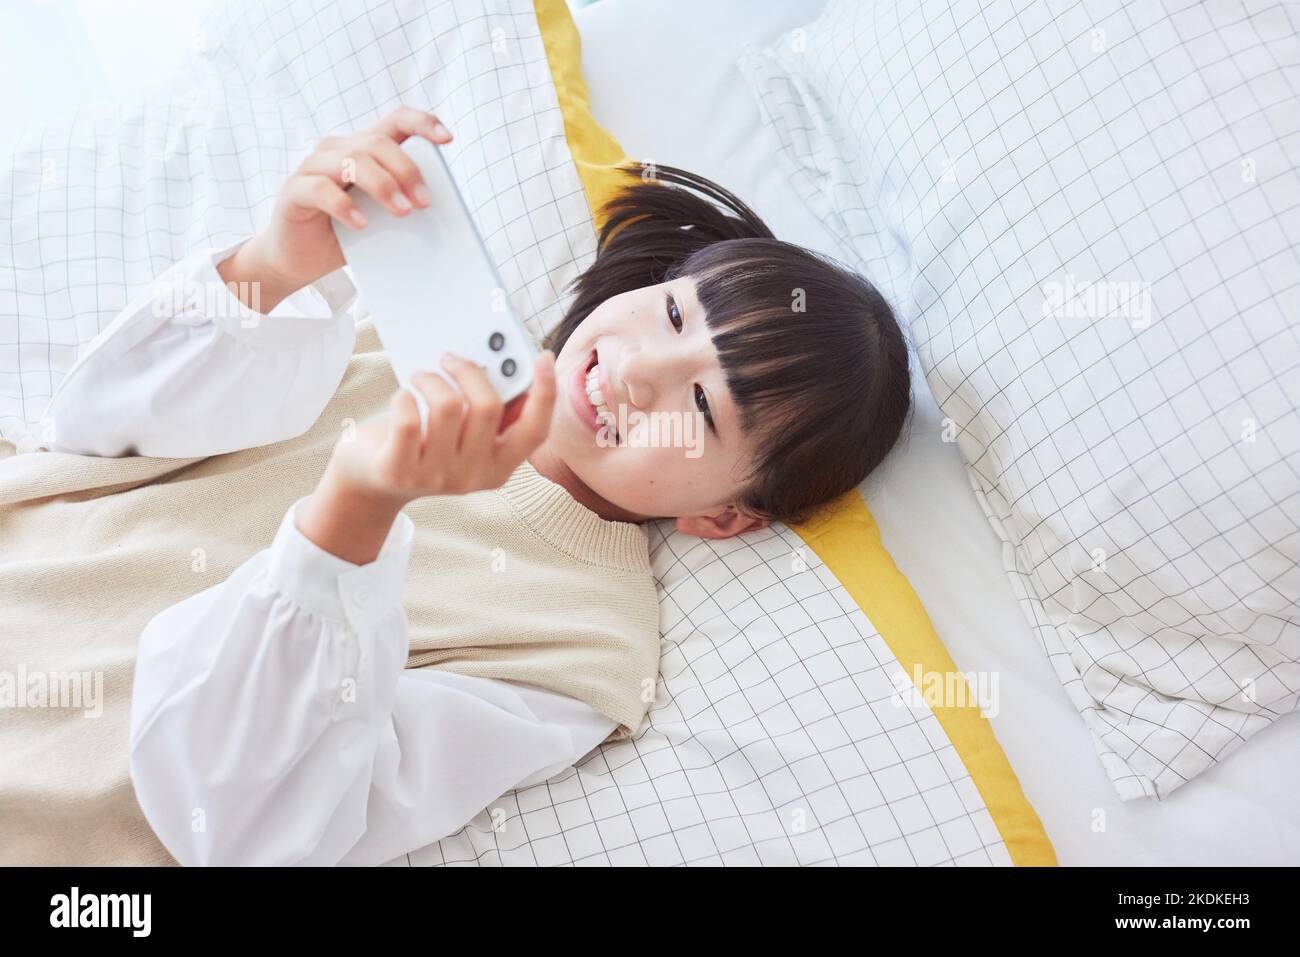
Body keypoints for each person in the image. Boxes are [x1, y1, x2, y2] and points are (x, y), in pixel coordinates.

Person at [37, 106, 912, 865]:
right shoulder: (422, 341)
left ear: (722, 515)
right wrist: (270, 267)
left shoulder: (585, 653)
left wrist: (360, 509)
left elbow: (242, 831)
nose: (641, 368)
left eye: (702, 406)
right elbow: (86, 435)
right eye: (677, 311)